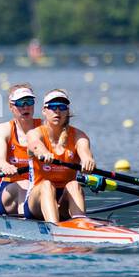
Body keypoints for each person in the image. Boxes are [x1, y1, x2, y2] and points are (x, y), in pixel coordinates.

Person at [24, 89, 95, 223]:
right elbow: (35, 145)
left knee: (74, 184)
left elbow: (85, 152)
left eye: (62, 107)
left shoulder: (79, 136)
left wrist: (87, 161)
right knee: (46, 185)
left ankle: (81, 225)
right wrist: (43, 153)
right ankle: (55, 228)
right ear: (44, 111)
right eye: (52, 107)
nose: (57, 111)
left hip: (65, 200)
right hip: (37, 200)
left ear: (67, 111)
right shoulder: (34, 133)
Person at [0, 84, 38, 217]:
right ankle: (27, 226)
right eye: (20, 103)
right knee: (23, 184)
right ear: (11, 107)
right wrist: (5, 165)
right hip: (10, 189)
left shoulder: (44, 128)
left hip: (38, 188)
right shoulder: (3, 129)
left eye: (29, 102)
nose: (25, 107)